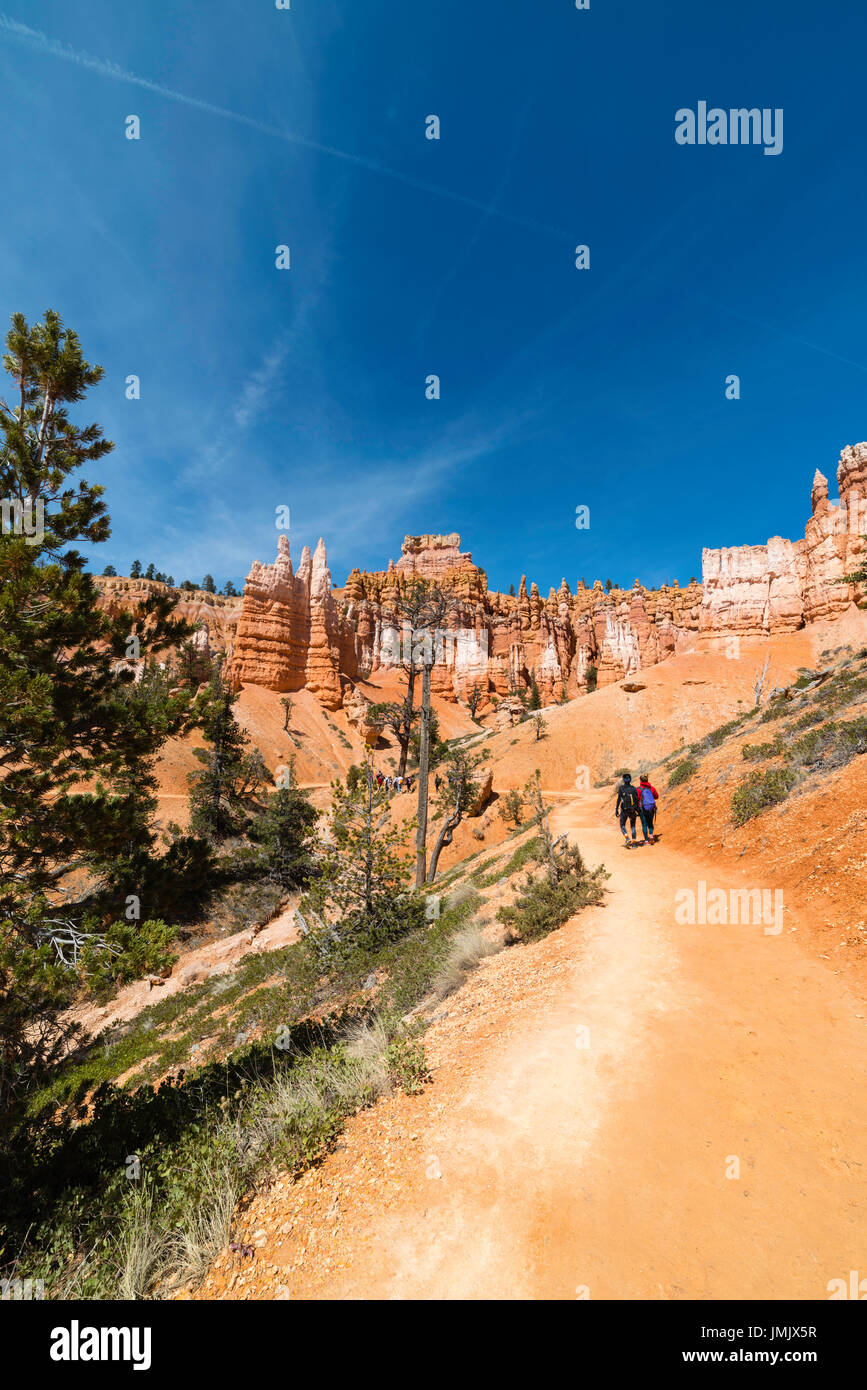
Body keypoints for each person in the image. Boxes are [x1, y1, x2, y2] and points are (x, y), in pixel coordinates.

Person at [615, 772, 640, 847]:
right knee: (633, 826)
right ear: (630, 780)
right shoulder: (634, 789)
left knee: (622, 825)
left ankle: (627, 838)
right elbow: (637, 800)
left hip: (624, 810)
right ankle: (634, 844)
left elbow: (619, 799)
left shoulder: (621, 788)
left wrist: (616, 809)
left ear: (623, 780)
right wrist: (638, 811)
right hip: (632, 810)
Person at [637, 774, 659, 844]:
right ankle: (651, 836)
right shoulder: (652, 788)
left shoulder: (638, 789)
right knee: (650, 823)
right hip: (651, 808)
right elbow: (656, 796)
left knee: (644, 824)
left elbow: (636, 798)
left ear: (640, 780)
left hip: (642, 809)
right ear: (647, 780)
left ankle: (646, 841)